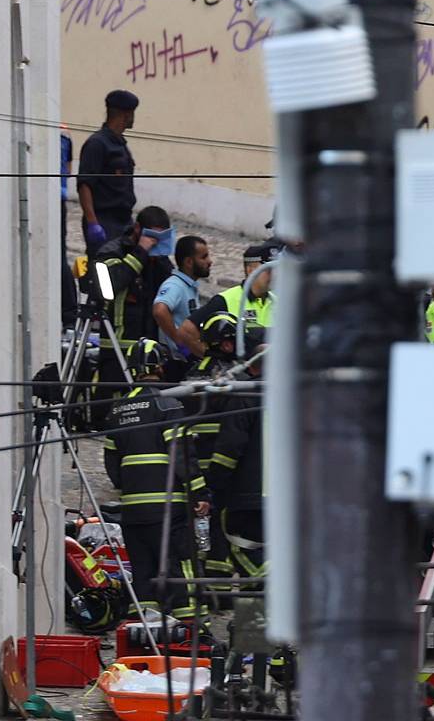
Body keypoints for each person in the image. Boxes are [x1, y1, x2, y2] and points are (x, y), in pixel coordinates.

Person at [103, 339, 208, 624]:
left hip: (133, 512)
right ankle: (194, 633)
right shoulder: (168, 403)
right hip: (168, 510)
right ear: (161, 366)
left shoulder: (118, 410)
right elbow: (182, 455)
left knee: (144, 574)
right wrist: (200, 492)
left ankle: (145, 636)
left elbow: (112, 465)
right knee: (178, 570)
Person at [89, 206, 174, 360]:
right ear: (137, 229)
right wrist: (141, 252)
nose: (154, 243)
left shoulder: (159, 259)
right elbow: (110, 284)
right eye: (151, 236)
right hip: (116, 346)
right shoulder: (110, 252)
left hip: (150, 347)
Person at [205, 392, 266, 579]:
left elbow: (229, 446)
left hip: (250, 496)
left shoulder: (244, 395)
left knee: (241, 547)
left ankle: (284, 582)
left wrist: (213, 483)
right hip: (297, 494)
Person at [79, 89, 140, 248]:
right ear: (125, 114)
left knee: (121, 271)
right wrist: (92, 222)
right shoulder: (97, 144)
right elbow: (85, 184)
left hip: (124, 221)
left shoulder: (120, 144)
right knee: (103, 271)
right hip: (104, 221)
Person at [152, 235, 210, 359]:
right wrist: (179, 340)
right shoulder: (174, 285)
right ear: (189, 262)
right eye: (204, 257)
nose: (210, 261)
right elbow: (159, 311)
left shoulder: (188, 285)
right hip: (176, 362)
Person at [199, 241, 276, 331]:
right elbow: (188, 330)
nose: (274, 275)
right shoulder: (225, 300)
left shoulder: (280, 303)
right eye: (268, 270)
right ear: (250, 271)